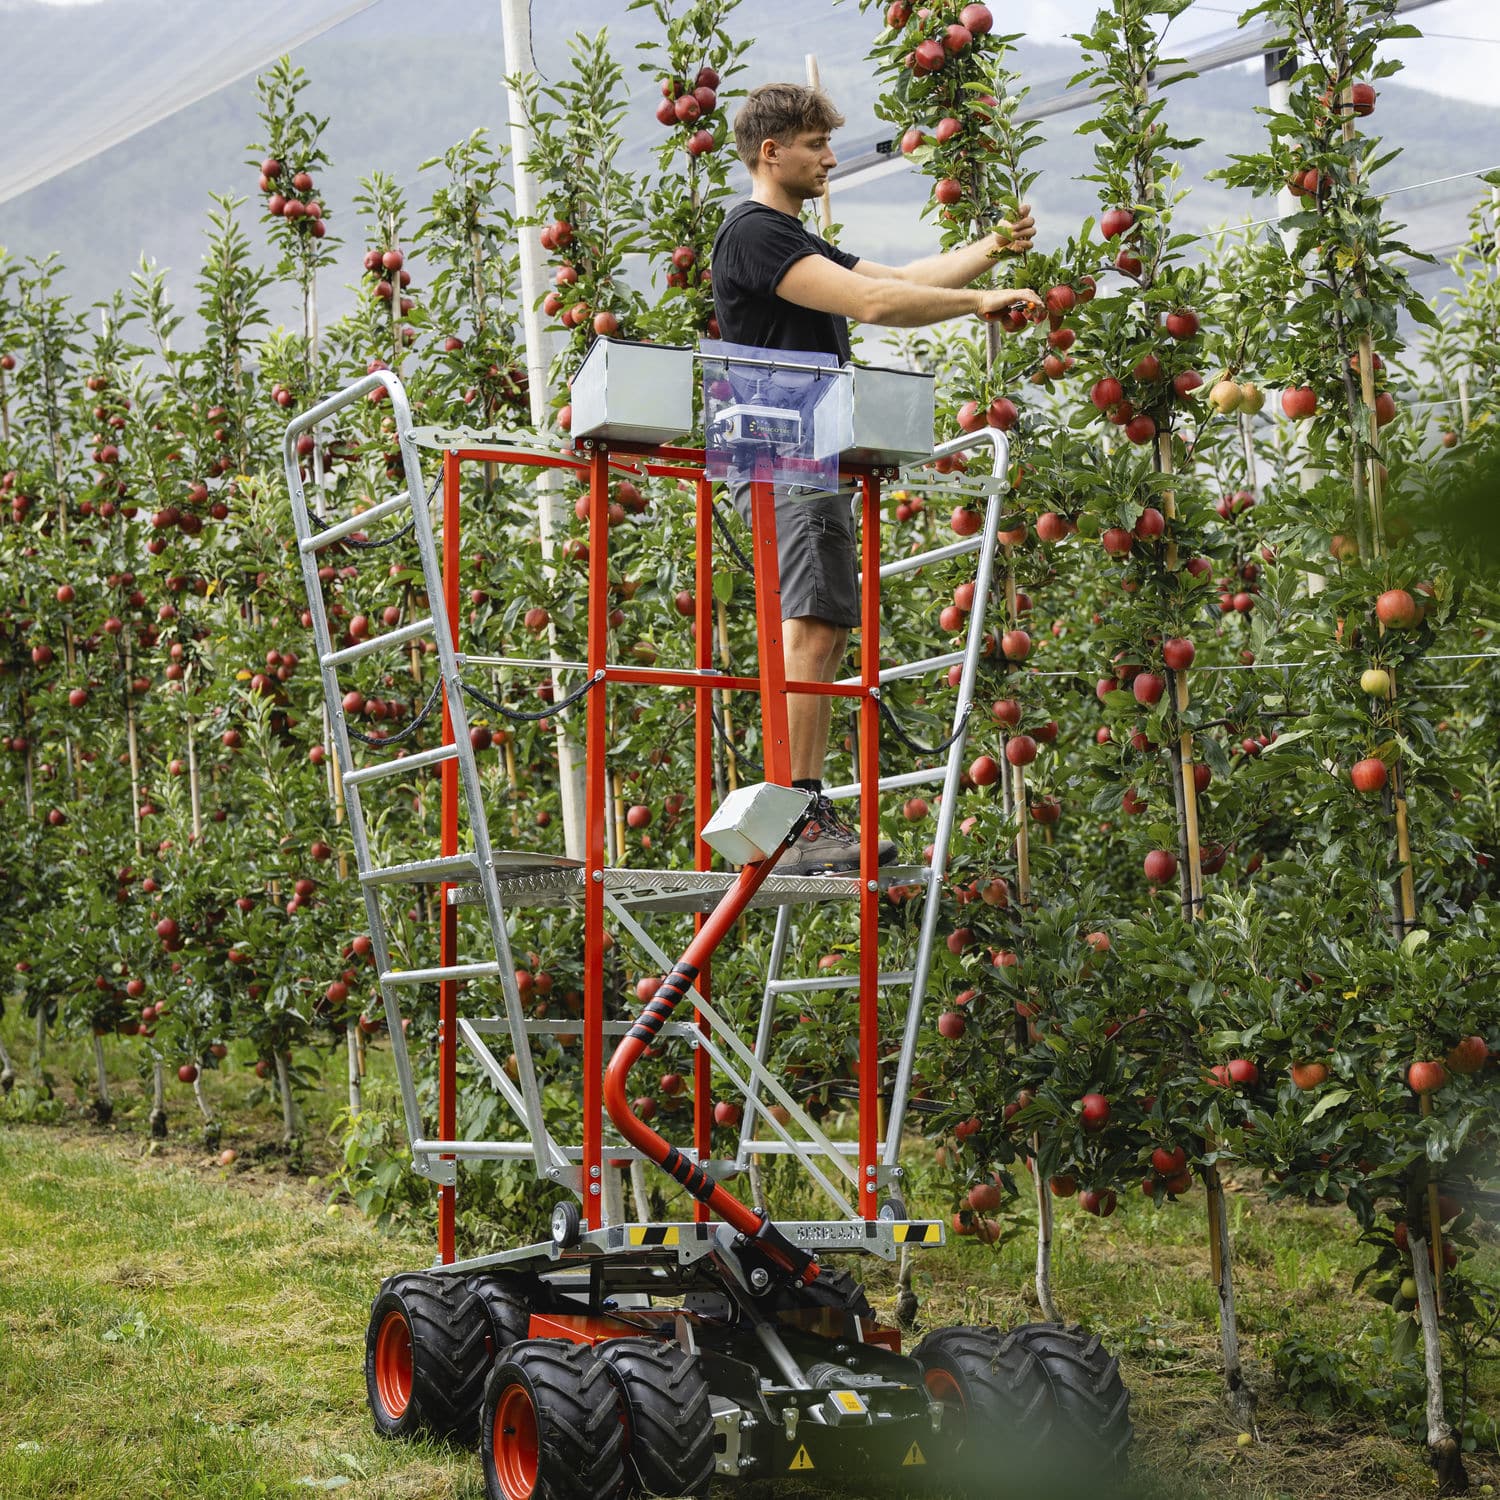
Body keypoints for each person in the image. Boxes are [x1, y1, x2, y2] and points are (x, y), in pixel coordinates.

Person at [710, 82, 1041, 874]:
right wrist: (978, 300)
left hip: (801, 441)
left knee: (819, 622)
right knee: (810, 625)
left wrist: (989, 251)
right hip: (781, 441)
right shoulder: (755, 234)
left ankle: (803, 804)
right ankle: (795, 811)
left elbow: (904, 272)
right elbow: (874, 302)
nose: (829, 157)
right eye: (817, 143)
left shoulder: (789, 237)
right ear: (771, 151)